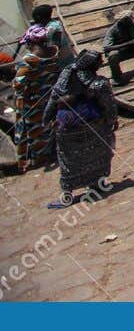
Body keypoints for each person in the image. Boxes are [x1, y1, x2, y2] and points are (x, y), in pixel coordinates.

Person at [44, 50, 117, 207]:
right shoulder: (99, 83)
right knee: (97, 153)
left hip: (66, 127)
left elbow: (52, 101)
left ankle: (68, 194)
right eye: (99, 61)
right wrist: (111, 120)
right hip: (93, 124)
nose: (102, 63)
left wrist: (47, 119)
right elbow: (108, 105)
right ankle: (96, 184)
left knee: (68, 161)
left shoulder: (65, 77)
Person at [12, 24, 62, 172]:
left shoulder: (29, 60)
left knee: (34, 130)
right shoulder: (54, 51)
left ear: (30, 43)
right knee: (49, 123)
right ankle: (53, 150)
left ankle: (38, 158)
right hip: (50, 95)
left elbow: (18, 84)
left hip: (33, 101)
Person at [101, 12, 134, 85]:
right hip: (121, 52)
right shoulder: (112, 30)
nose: (131, 19)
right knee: (113, 54)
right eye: (128, 19)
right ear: (123, 21)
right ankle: (116, 76)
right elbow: (107, 48)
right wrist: (128, 43)